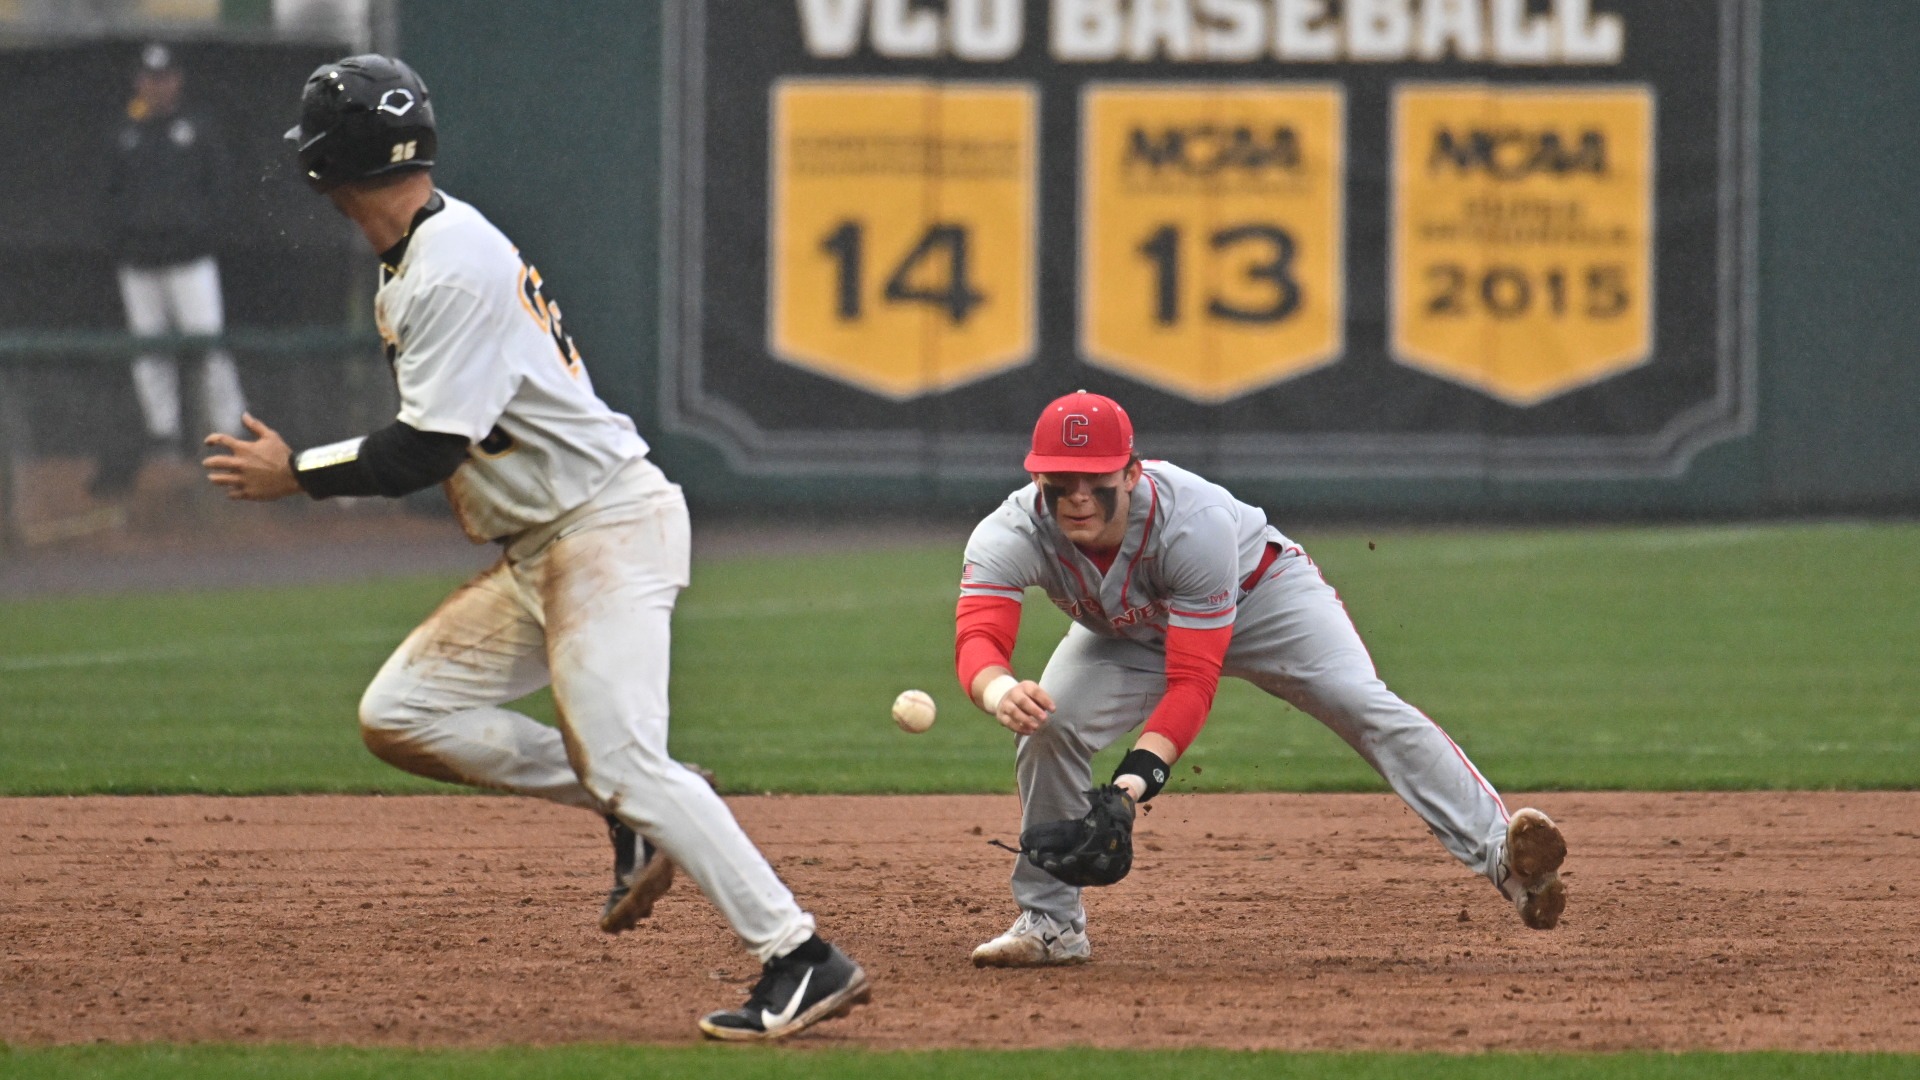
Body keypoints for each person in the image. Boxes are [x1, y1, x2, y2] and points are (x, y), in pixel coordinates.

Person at [201, 55, 868, 1041]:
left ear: (326, 163)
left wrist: (296, 472)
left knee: (635, 760)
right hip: (544, 544)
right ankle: (633, 808)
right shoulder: (428, 252)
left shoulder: (449, 268)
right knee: (405, 713)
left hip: (604, 531)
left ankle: (802, 956)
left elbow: (427, 447)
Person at [955, 390, 1568, 967]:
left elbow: (1193, 680)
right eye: (1061, 479)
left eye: (1098, 479)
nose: (1079, 494)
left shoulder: (1193, 523)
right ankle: (1051, 925)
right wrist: (1000, 689)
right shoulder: (1010, 532)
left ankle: (1507, 862)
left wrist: (1129, 789)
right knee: (1047, 723)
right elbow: (978, 637)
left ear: (1132, 473)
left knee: (1357, 700)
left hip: (1263, 598)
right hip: (1126, 632)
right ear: (1038, 477)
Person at [96, 42, 247, 497]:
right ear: (138, 81)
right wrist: (125, 240)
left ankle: (230, 434)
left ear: (177, 80)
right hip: (139, 264)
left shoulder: (197, 129)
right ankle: (163, 438)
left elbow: (220, 191)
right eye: (148, 77)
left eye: (163, 77)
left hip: (191, 260)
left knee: (208, 346)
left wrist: (201, 235)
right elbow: (107, 197)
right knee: (150, 352)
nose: (156, 85)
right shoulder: (124, 132)